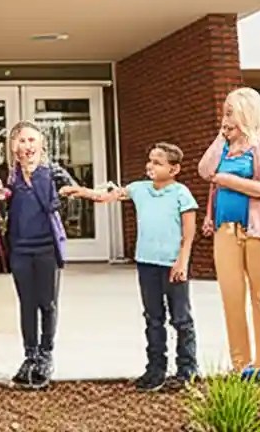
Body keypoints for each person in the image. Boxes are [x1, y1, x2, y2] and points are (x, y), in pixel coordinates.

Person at [83, 143, 198, 392]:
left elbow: (189, 234)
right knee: (153, 317)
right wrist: (78, 191)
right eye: (150, 160)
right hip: (147, 264)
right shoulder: (139, 189)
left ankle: (187, 370)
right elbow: (106, 196)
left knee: (181, 318)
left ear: (174, 168)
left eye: (157, 162)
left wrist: (182, 261)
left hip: (173, 266)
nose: (150, 166)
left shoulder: (182, 193)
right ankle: (155, 369)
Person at [0, 121, 95, 390]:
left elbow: (71, 196)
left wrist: (52, 187)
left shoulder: (53, 172)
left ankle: (46, 353)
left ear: (41, 145)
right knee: (27, 303)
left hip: (46, 246)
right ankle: (30, 355)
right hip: (20, 247)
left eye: (31, 140)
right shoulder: (6, 173)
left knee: (47, 302)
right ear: (12, 146)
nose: (26, 146)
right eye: (21, 140)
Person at [197, 87, 260, 386]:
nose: (225, 117)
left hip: (257, 233)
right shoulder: (223, 148)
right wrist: (221, 137)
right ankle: (241, 365)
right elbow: (204, 170)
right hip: (225, 232)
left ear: (246, 113)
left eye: (230, 112)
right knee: (231, 298)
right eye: (224, 112)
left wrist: (230, 181)